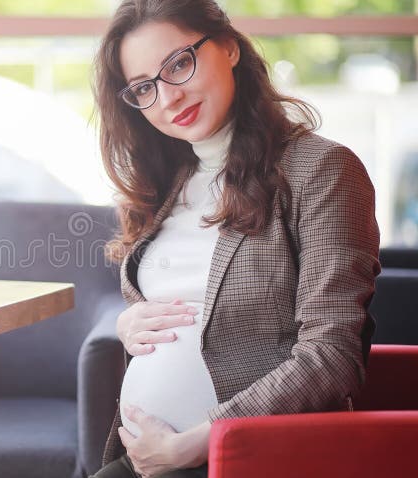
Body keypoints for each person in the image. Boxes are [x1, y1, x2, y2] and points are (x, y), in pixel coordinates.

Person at [91, 1, 381, 477]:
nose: (168, 100)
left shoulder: (321, 169)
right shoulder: (167, 181)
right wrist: (131, 324)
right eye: (144, 87)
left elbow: (332, 355)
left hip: (253, 458)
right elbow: (194, 303)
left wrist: (207, 439)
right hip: (146, 461)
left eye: (179, 64)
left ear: (228, 47)